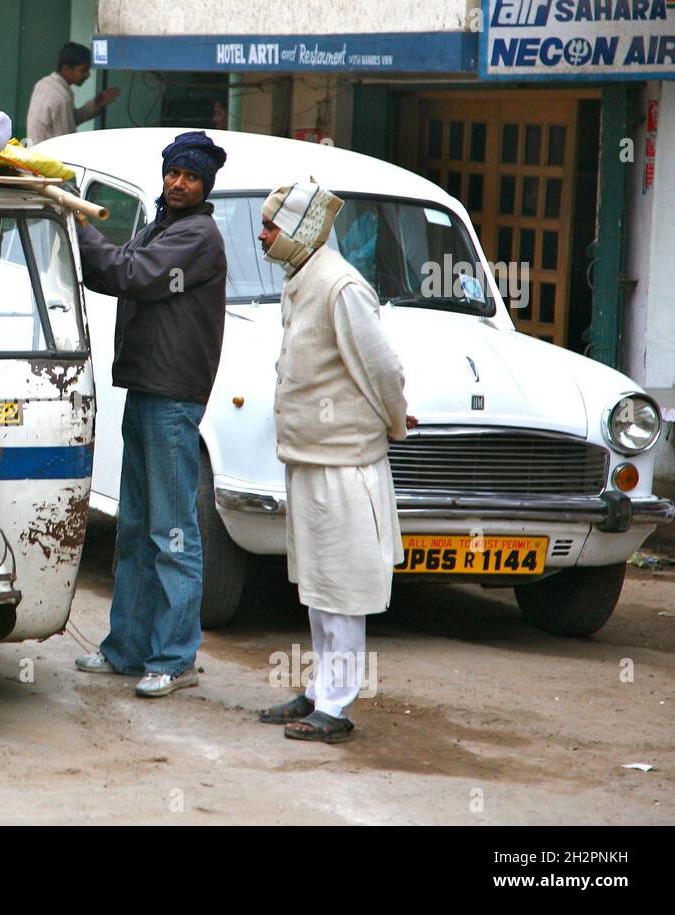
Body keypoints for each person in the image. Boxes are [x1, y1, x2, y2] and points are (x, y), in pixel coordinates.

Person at [254, 179, 414, 743]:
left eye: (272, 225)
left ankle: (338, 707)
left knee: (344, 590)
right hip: (310, 459)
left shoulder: (341, 286)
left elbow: (383, 370)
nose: (263, 233)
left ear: (298, 230)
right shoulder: (302, 277)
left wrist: (394, 422)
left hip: (345, 466)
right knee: (318, 586)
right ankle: (321, 690)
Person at [73, 131, 228, 698]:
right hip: (146, 389)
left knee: (173, 532)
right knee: (135, 529)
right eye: (173, 173)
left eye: (190, 177)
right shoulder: (163, 224)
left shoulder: (198, 237)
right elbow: (114, 270)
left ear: (205, 184)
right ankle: (126, 650)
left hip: (172, 397)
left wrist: (79, 225)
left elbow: (130, 275)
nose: (178, 183)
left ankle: (175, 656)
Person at [25, 42, 120, 145]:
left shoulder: (43, 83)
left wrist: (96, 104)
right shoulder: (61, 98)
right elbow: (66, 141)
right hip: (47, 157)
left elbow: (69, 119)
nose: (88, 75)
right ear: (66, 69)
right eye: (83, 70)